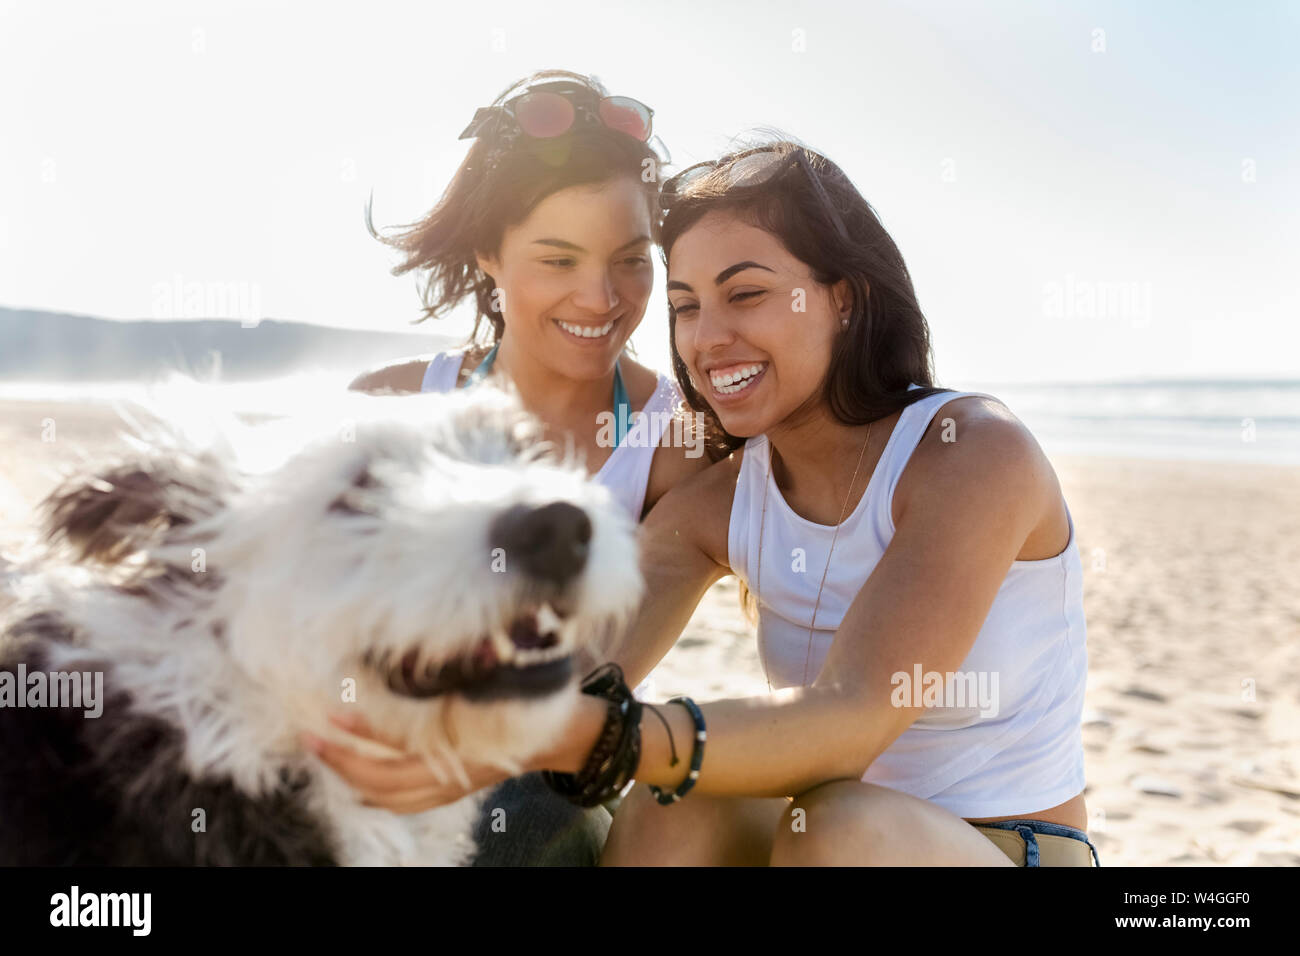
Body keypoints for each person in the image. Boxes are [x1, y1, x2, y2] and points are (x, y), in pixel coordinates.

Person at [317, 135, 1098, 867]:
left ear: (846, 299)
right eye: (687, 306)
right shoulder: (721, 498)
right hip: (821, 832)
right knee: (668, 808)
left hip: (1009, 844)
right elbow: (584, 671)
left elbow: (853, 716)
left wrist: (597, 736)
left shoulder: (970, 452)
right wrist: (447, 727)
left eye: (746, 294)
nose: (708, 337)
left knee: (842, 827)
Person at [343, 70, 708, 865]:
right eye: (558, 258)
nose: (600, 297)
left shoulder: (676, 436)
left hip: (538, 774)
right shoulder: (390, 405)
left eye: (631, 259)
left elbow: (590, 672)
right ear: (488, 254)